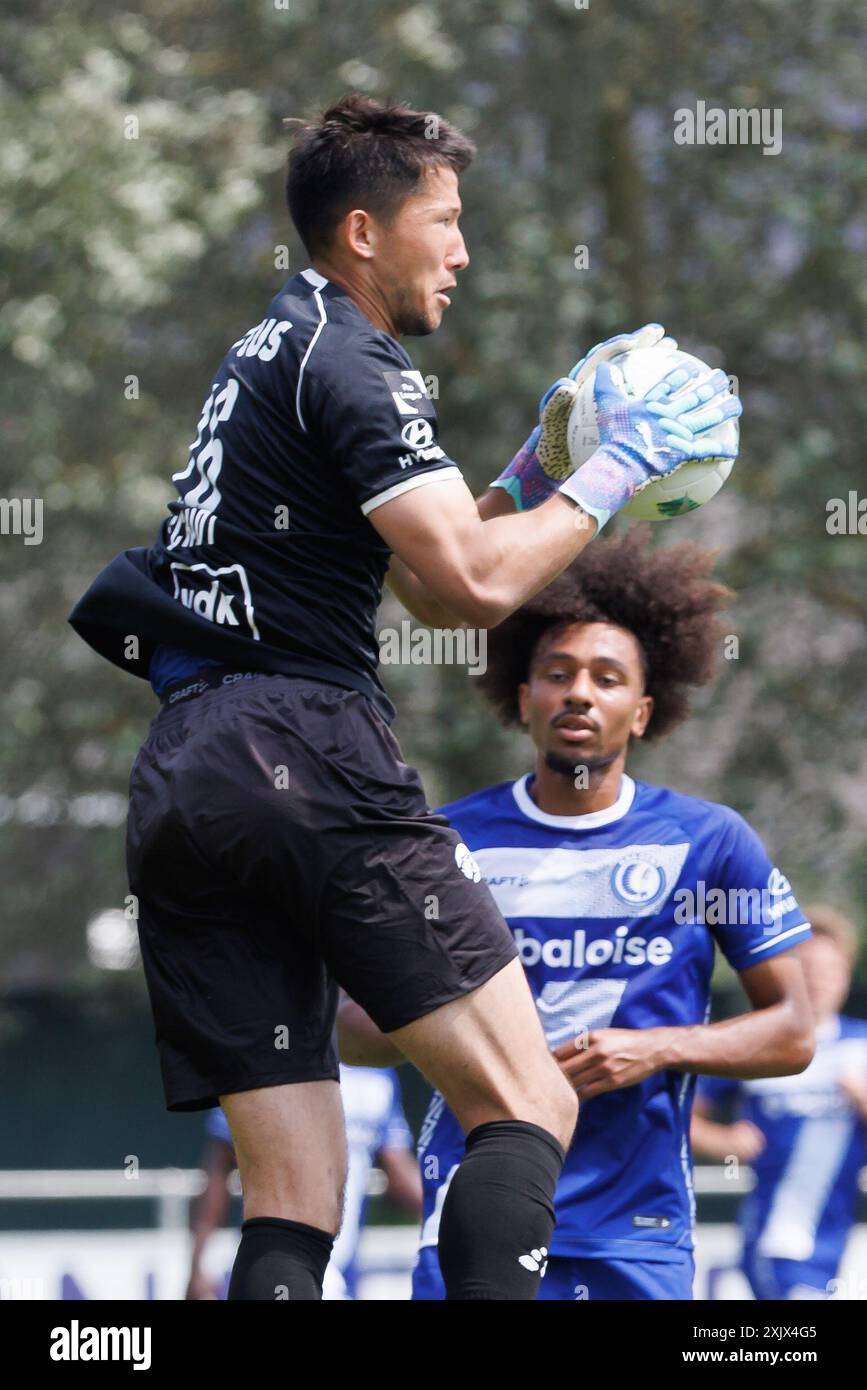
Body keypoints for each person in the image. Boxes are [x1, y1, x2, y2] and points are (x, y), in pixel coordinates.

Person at [68, 93, 740, 1300]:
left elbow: (433, 586)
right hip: (303, 744)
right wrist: (622, 462)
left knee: (294, 1191)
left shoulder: (272, 350)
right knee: (528, 1094)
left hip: (189, 774)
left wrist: (541, 469)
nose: (466, 252)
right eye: (449, 220)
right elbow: (479, 587)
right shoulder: (356, 357)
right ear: (367, 231)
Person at [340, 529, 815, 1300]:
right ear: (522, 699)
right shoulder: (442, 841)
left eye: (605, 677)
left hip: (639, 1230)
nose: (579, 694)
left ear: (642, 710)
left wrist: (657, 1048)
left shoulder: (709, 841)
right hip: (474, 1214)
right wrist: (449, 1036)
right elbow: (353, 1032)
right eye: (556, 675)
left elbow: (794, 1031)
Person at [692, 905, 867, 1300]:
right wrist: (722, 1141)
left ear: (845, 975)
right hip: (778, 1240)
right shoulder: (760, 1044)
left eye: (829, 971)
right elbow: (682, 1115)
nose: (819, 982)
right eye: (807, 970)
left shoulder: (861, 1045)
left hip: (837, 1237)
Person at [186, 1064, 421, 1300]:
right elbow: (218, 1169)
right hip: (277, 1256)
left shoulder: (376, 1073)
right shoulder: (265, 1059)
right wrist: (197, 1267)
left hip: (340, 1269)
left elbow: (400, 1173)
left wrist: (445, 1213)